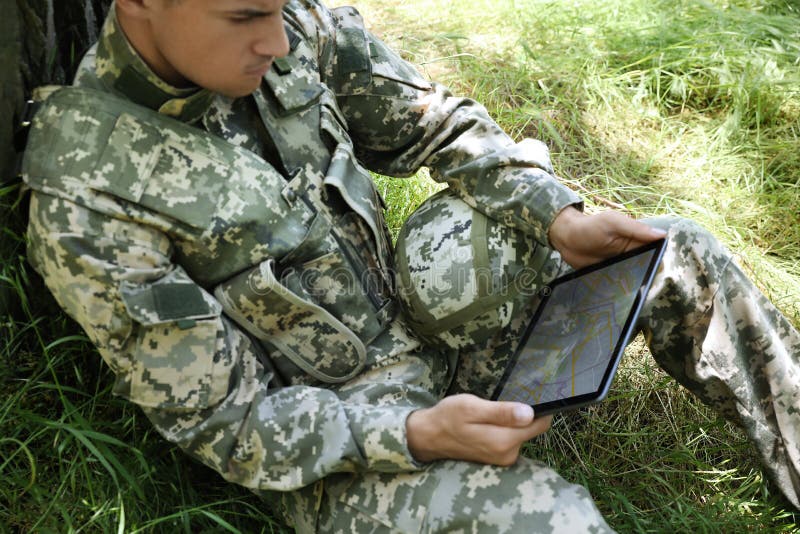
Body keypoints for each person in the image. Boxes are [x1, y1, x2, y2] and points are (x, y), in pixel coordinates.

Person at [20, 0, 800, 531]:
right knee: (551, 521)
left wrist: (557, 217)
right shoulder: (87, 198)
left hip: (436, 337)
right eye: (246, 16)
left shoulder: (290, 25)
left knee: (669, 251)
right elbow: (229, 423)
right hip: (347, 446)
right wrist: (416, 433)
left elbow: (434, 124)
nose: (278, 40)